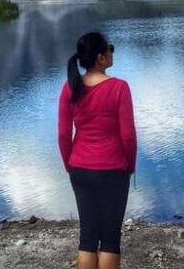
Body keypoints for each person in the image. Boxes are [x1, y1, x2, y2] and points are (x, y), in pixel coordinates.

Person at [58, 32, 137, 269]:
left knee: (88, 238)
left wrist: (70, 165)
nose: (112, 52)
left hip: (80, 168)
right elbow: (128, 136)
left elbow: (63, 135)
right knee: (110, 239)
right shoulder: (119, 87)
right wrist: (130, 165)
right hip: (113, 169)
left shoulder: (70, 87)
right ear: (101, 58)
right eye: (110, 48)